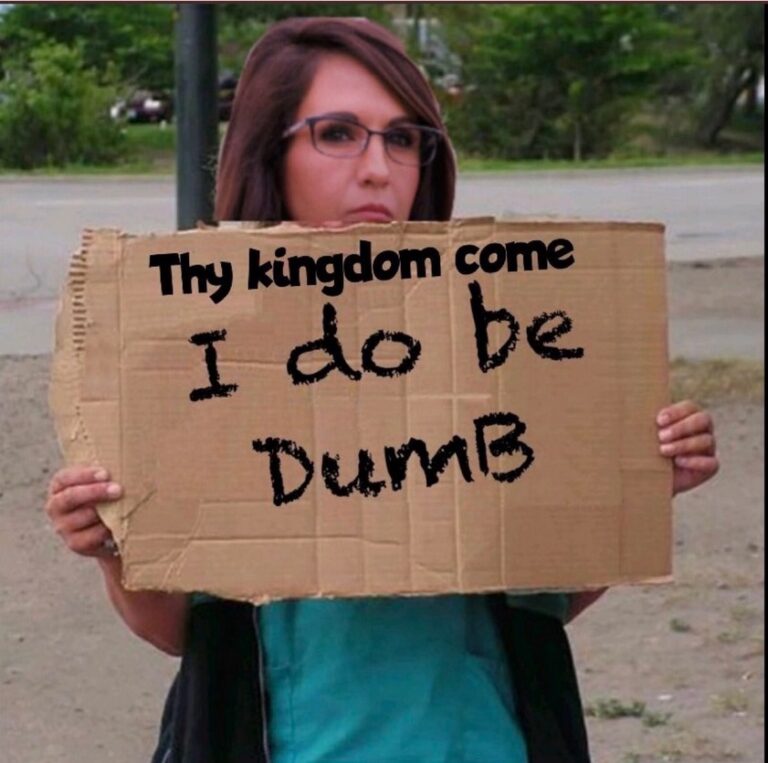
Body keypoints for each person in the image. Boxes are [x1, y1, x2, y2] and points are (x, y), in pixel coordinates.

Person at [45, 18, 719, 763]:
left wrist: (631, 486)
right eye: (337, 133)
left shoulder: (498, 334)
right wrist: (112, 546)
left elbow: (545, 601)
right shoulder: (201, 358)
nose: (379, 168)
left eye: (403, 138)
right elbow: (180, 630)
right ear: (270, 149)